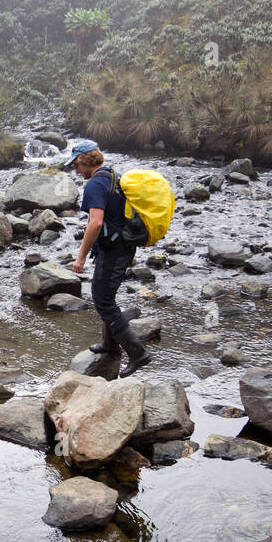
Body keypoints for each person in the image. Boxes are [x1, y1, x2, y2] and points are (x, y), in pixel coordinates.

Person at [63, 139, 152, 377]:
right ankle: (110, 345)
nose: (76, 170)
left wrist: (80, 257)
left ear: (84, 160)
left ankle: (138, 354)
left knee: (103, 301)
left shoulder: (94, 185)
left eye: (76, 165)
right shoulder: (114, 176)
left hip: (113, 249)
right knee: (106, 297)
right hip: (122, 246)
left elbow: (97, 222)